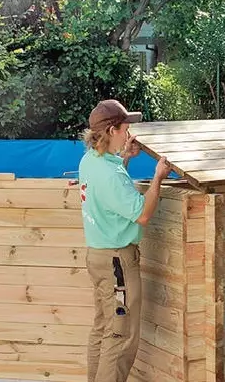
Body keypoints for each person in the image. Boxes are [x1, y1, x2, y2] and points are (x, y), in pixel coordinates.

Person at [78, 99, 171, 382]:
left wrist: (127, 158)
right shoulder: (109, 174)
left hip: (99, 256)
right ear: (111, 131)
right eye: (125, 127)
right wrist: (158, 178)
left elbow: (112, 185)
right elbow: (142, 214)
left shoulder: (91, 160)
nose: (129, 132)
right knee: (121, 337)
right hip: (117, 261)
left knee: (105, 328)